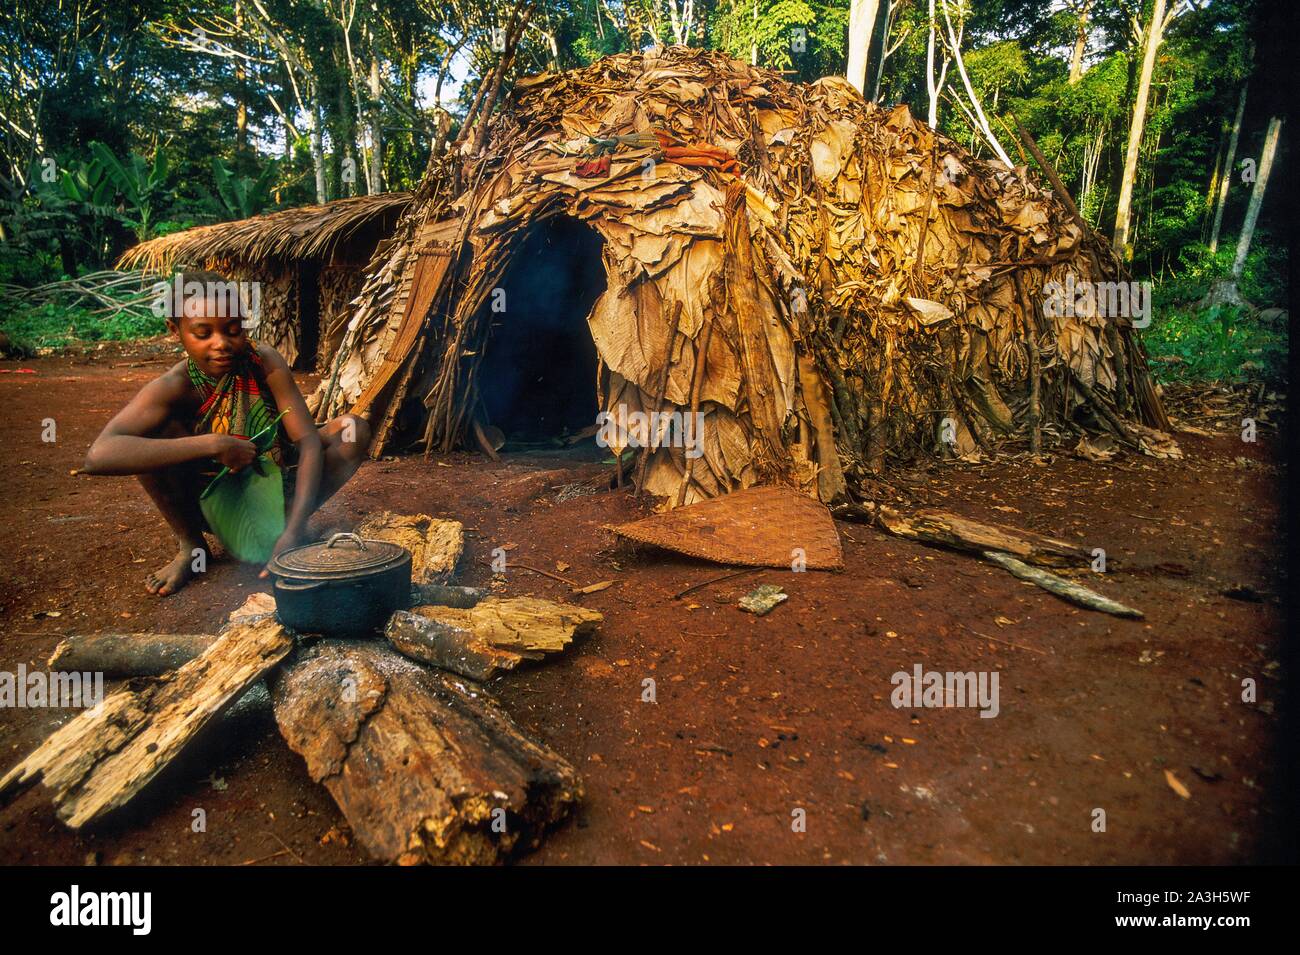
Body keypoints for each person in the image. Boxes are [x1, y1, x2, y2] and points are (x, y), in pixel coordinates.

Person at [82, 270, 370, 595]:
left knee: (352, 429)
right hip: (211, 500)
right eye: (203, 333)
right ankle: (192, 546)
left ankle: (285, 527)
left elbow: (307, 443)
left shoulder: (263, 361)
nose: (222, 344)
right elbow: (98, 456)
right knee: (150, 440)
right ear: (175, 331)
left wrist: (292, 531)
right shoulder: (176, 386)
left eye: (233, 330)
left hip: (276, 486)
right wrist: (213, 444)